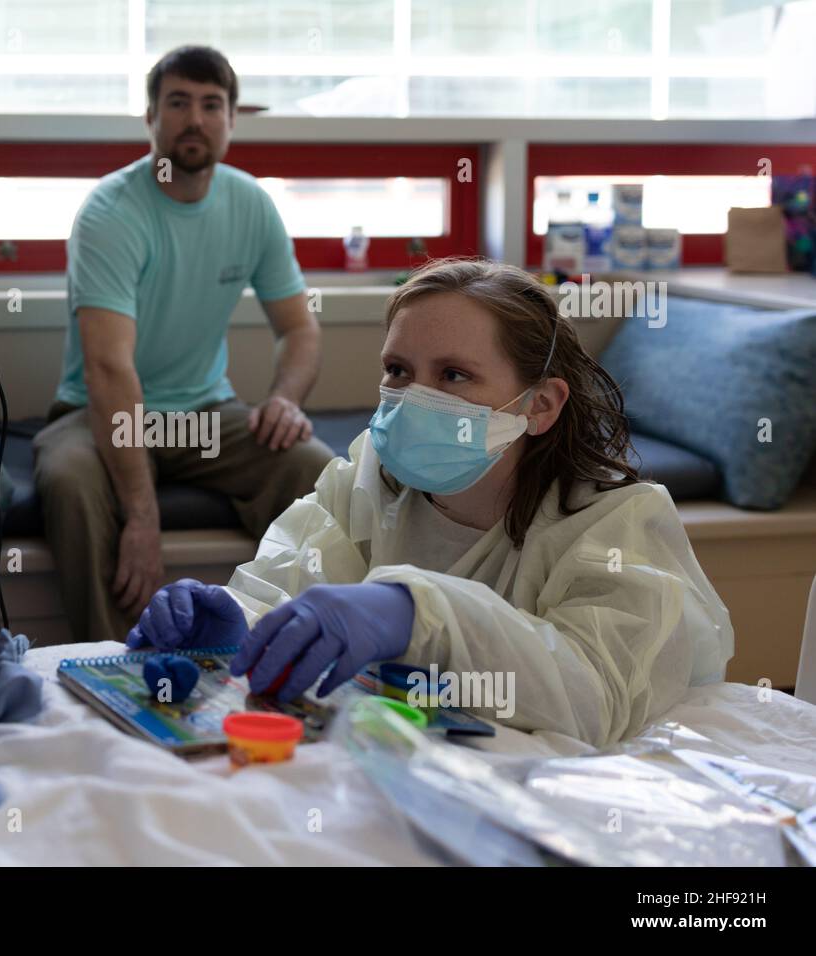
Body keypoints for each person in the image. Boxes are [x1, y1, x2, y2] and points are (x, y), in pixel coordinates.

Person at [128, 258, 734, 747]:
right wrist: (237, 624)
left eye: (453, 376)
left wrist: (419, 612)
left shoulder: (613, 522)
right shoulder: (371, 476)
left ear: (540, 405)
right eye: (397, 370)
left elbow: (598, 699)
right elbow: (285, 585)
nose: (414, 398)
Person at [33, 45, 335, 644]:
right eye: (177, 103)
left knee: (318, 471)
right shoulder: (111, 212)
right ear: (150, 118)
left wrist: (284, 400)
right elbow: (108, 367)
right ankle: (112, 665)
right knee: (69, 483)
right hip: (104, 415)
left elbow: (300, 329)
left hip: (203, 414)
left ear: (229, 120)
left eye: (210, 104)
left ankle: (290, 647)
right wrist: (142, 518)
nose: (194, 119)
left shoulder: (250, 204)